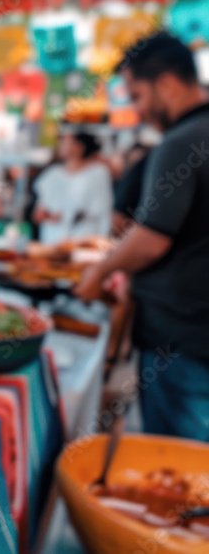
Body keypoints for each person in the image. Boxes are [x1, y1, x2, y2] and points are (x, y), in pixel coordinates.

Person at [75, 32, 209, 440]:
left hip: (181, 342)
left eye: (136, 96)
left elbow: (152, 239)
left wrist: (100, 271)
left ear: (167, 83)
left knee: (181, 475)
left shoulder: (181, 141)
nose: (137, 110)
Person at [31, 131, 113, 245]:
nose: (61, 144)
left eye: (66, 141)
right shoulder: (51, 174)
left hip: (84, 242)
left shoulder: (98, 173)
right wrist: (48, 216)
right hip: (51, 242)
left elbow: (101, 210)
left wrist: (65, 216)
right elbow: (38, 214)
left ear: (79, 147)